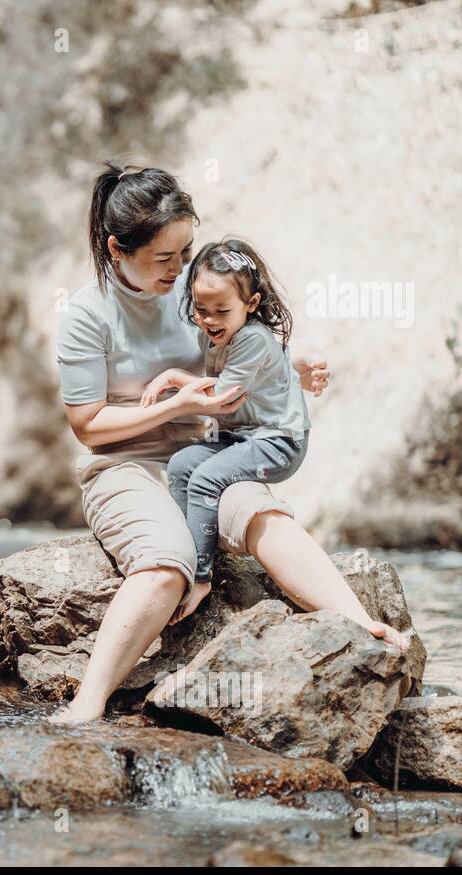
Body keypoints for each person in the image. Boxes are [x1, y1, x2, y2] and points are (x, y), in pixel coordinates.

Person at [46, 163, 409, 726]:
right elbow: (88, 425)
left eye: (185, 252)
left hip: (205, 453)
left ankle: (361, 623)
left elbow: (234, 349)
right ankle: (87, 704)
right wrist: (176, 405)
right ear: (118, 249)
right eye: (164, 258)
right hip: (123, 466)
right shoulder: (87, 315)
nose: (179, 269)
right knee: (168, 564)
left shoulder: (192, 290)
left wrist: (290, 366)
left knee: (258, 509)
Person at [141, 237, 310, 623]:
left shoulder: (251, 337)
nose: (209, 319)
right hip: (240, 437)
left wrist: (171, 378)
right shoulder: (215, 333)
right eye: (201, 309)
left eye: (221, 310)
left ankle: (200, 578)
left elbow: (224, 398)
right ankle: (188, 552)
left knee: (205, 481)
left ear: (251, 305)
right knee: (183, 464)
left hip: (277, 442)